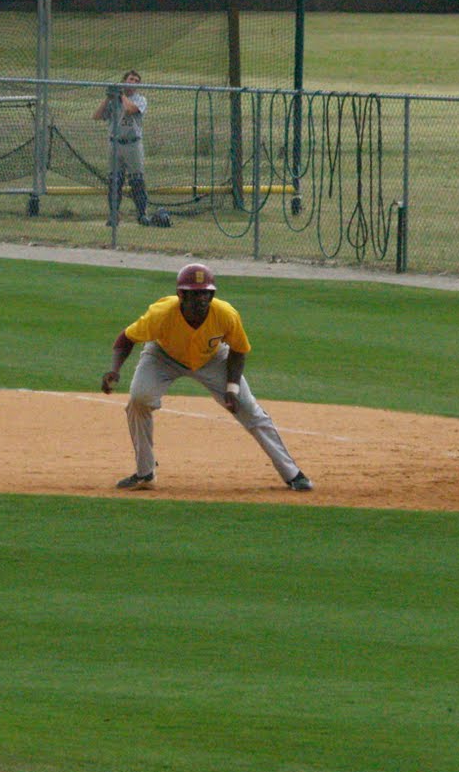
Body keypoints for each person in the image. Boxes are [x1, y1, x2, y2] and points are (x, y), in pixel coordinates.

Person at [99, 264, 314, 492]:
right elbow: (127, 337)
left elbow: (239, 350)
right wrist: (115, 370)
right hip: (163, 356)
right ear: (181, 295)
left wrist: (232, 387)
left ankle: (293, 474)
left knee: (248, 408)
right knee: (139, 399)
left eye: (206, 293)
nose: (201, 299)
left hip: (212, 358)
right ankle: (145, 472)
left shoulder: (225, 314)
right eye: (195, 293)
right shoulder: (161, 314)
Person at [93, 69, 154, 228]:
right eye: (130, 79)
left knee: (137, 180)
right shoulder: (114, 101)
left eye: (136, 80)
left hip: (133, 143)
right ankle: (114, 215)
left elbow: (130, 110)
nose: (132, 83)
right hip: (115, 143)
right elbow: (97, 116)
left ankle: (141, 214)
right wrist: (108, 98)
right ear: (123, 81)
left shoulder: (140, 100)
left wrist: (122, 95)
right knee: (115, 180)